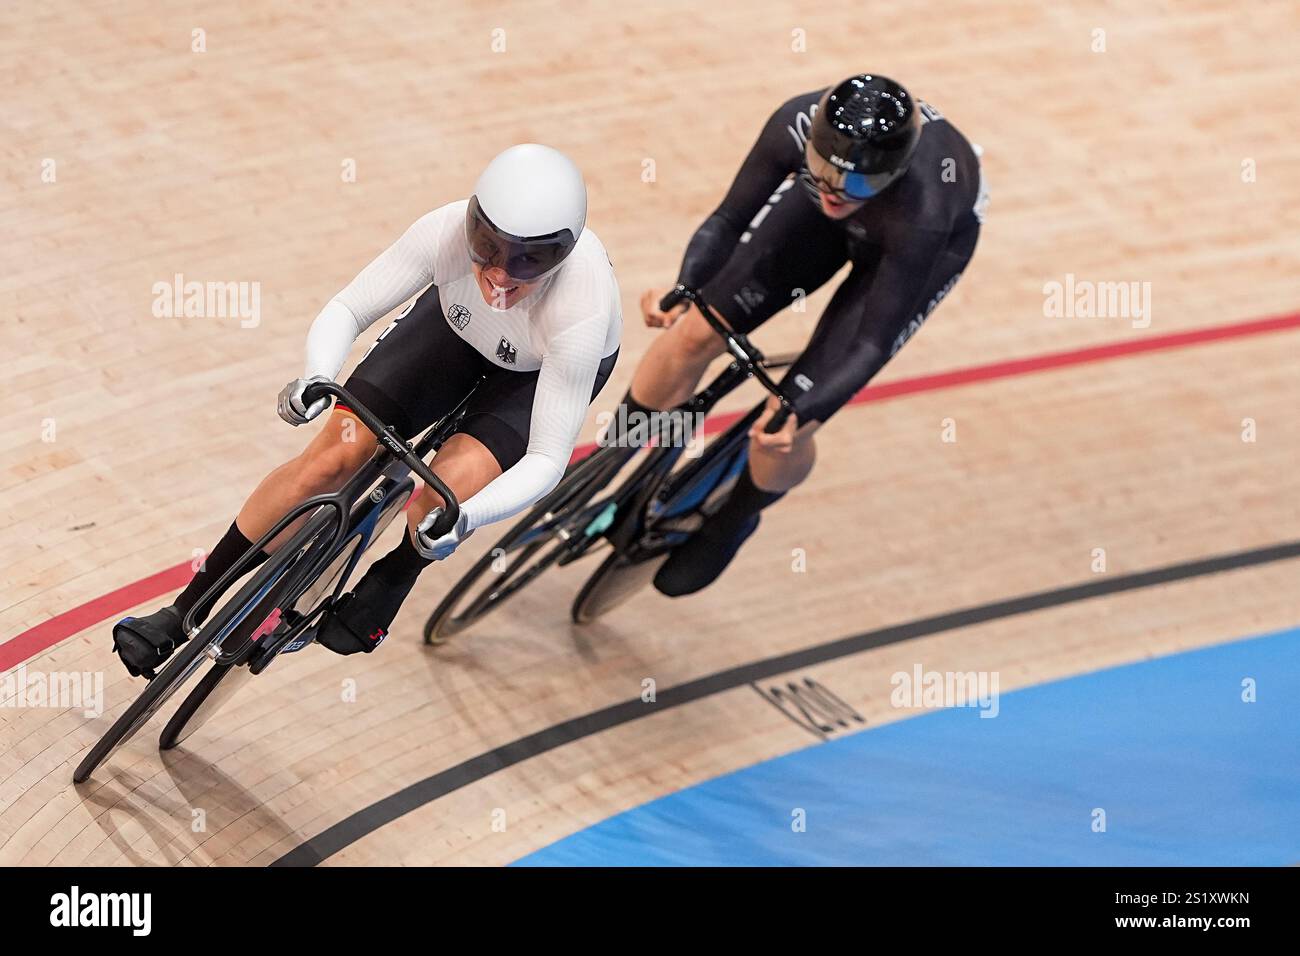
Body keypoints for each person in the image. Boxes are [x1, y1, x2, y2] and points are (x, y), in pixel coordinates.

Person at [113, 144, 622, 676]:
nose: (500, 273)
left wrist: (464, 518)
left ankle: (397, 573)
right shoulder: (445, 231)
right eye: (488, 247)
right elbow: (349, 308)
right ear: (472, 222)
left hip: (533, 375)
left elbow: (546, 458)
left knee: (445, 494)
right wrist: (317, 375)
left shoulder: (580, 311)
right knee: (328, 462)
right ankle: (184, 608)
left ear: (563, 255)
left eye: (528, 260)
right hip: (456, 328)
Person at [627, 74, 988, 595]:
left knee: (785, 426)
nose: (837, 191)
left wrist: (804, 408)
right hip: (823, 213)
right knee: (693, 333)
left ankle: (735, 520)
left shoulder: (925, 209)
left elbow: (870, 343)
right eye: (821, 168)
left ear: (892, 173)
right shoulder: (797, 127)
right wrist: (686, 285)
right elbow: (729, 220)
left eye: (857, 183)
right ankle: (620, 457)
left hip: (914, 246)